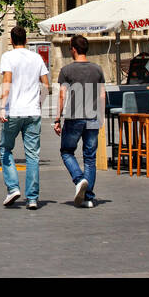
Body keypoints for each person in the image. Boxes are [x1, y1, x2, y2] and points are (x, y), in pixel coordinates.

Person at [0, 25, 49, 209]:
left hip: (14, 111)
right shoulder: (36, 58)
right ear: (26, 40)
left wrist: (2, 107)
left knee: (5, 150)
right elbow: (46, 85)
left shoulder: (8, 57)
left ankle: (13, 188)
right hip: (33, 111)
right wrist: (39, 102)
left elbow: (7, 81)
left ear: (11, 40)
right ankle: (33, 198)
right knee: (32, 155)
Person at [53, 34, 103, 208]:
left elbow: (62, 95)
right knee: (90, 157)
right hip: (93, 116)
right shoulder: (97, 69)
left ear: (73, 49)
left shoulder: (67, 71)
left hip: (74, 117)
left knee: (66, 151)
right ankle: (88, 197)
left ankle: (79, 179)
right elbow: (102, 95)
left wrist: (57, 118)